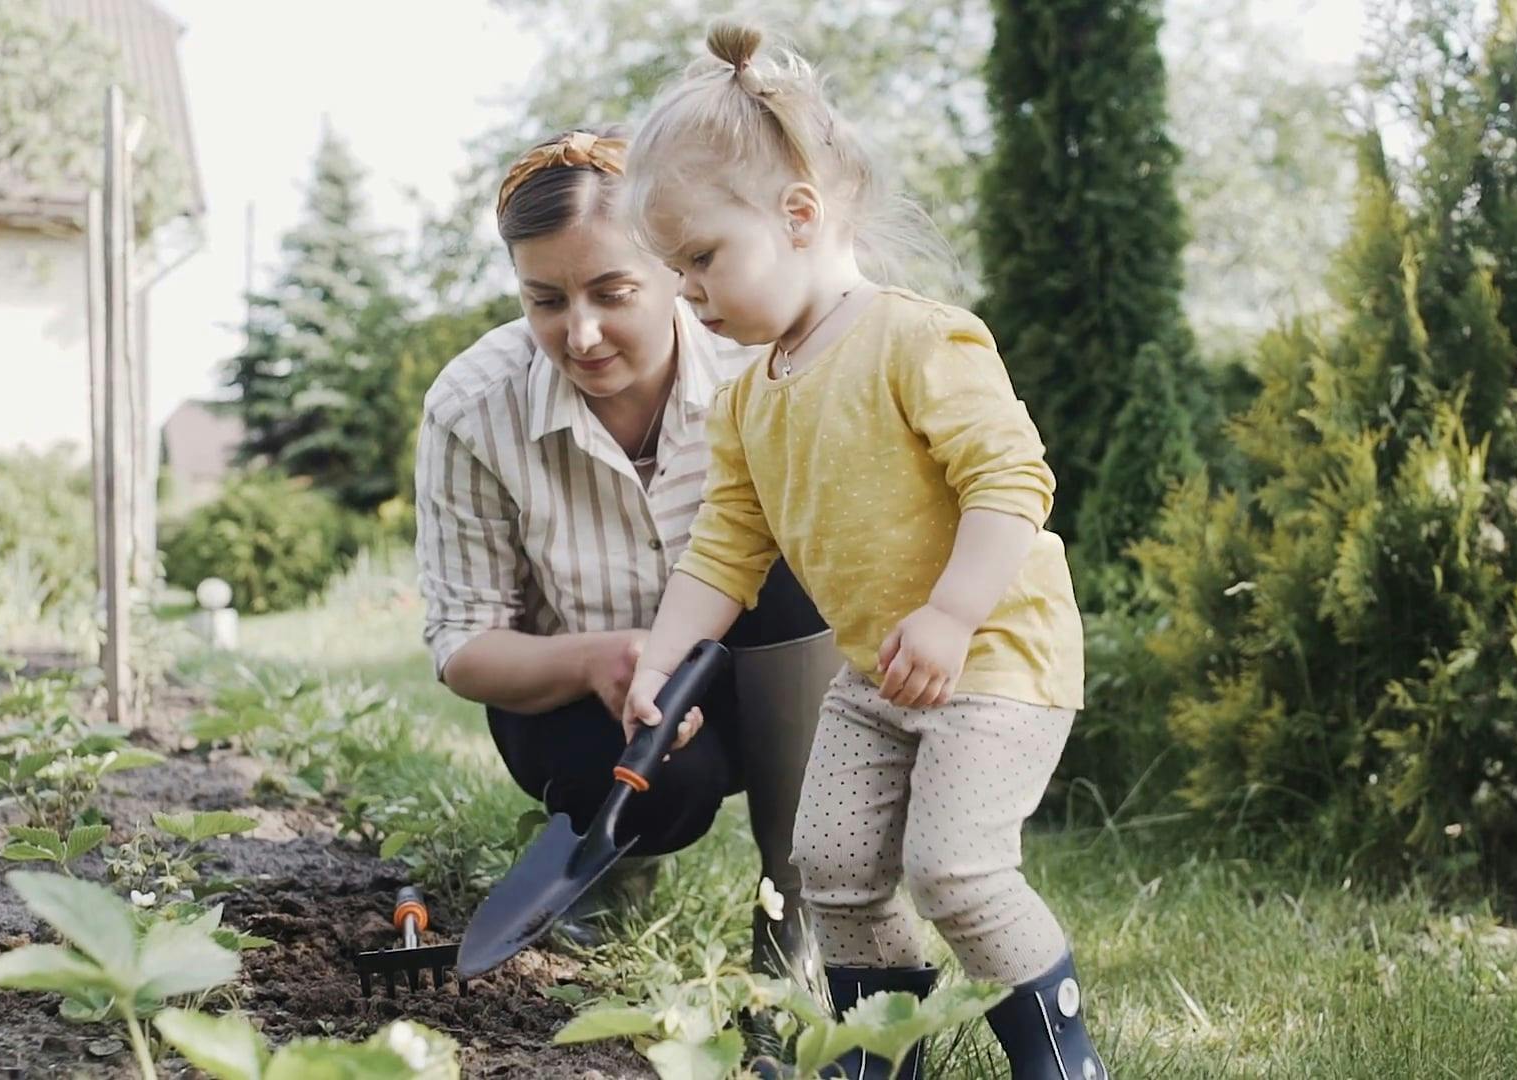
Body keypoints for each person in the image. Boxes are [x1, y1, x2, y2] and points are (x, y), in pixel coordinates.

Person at [618, 21, 1107, 1080]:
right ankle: (881, 1053)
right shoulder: (747, 403)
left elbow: (1012, 481)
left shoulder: (917, 340)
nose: (688, 293)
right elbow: (722, 554)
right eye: (673, 268)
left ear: (797, 216)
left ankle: (1061, 1057)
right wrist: (661, 660)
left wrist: (951, 612)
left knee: (956, 870)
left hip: (992, 653)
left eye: (703, 258)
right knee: (830, 866)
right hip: (878, 672)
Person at [413, 127, 840, 973]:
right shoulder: (472, 408)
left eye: (612, 293)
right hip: (587, 702)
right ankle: (613, 870)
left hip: (767, 683)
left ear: (674, 275)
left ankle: (800, 921)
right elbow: (463, 645)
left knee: (796, 573)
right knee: (665, 794)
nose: (580, 335)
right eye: (545, 301)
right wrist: (603, 660)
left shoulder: (761, 368)